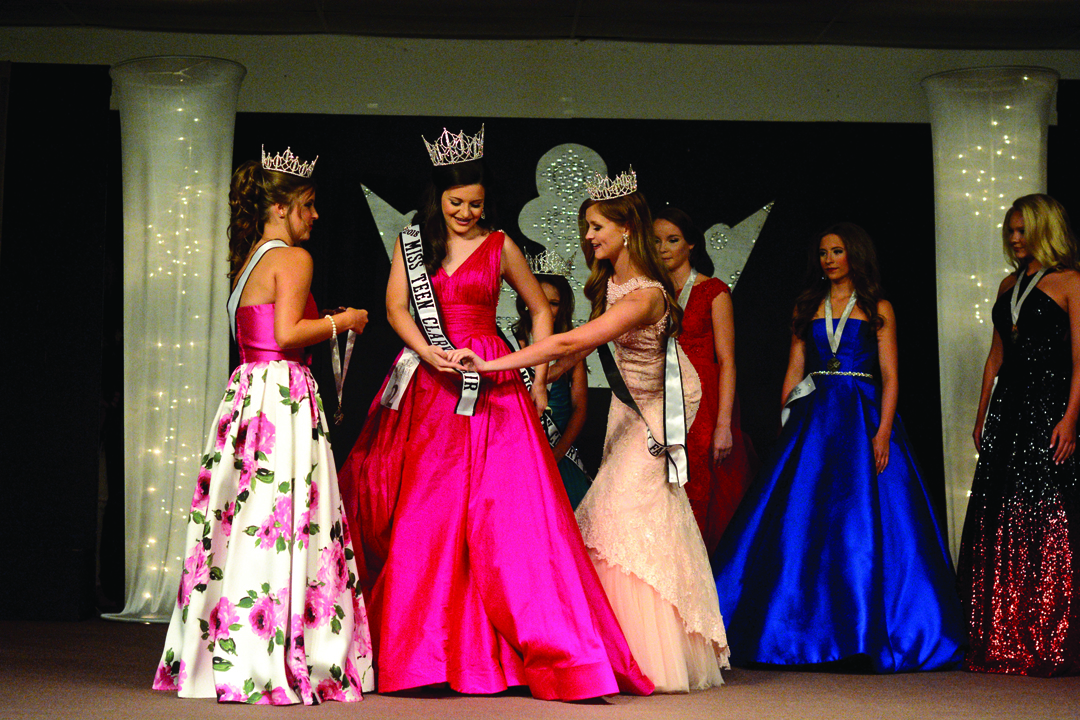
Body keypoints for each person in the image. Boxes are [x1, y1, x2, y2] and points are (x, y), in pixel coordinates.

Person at [336, 127, 653, 701]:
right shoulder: (413, 243)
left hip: (491, 379)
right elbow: (394, 308)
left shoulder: (501, 244)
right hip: (432, 383)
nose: (466, 212)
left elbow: (538, 308)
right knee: (428, 514)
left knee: (509, 518)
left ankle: (543, 652)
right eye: (456, 203)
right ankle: (420, 653)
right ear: (439, 200)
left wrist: (531, 377)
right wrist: (426, 349)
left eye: (476, 204)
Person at [452, 170, 730, 693]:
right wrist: (535, 380)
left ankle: (647, 652)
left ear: (627, 229)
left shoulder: (644, 294)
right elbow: (573, 353)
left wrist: (493, 367)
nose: (588, 237)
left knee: (613, 510)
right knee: (640, 512)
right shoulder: (614, 283)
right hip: (632, 401)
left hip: (665, 405)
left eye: (597, 226)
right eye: (586, 227)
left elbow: (565, 341)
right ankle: (629, 641)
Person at [152, 147, 374, 704]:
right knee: (288, 516)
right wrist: (341, 321)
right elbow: (289, 332)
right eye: (308, 205)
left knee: (246, 517)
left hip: (247, 395)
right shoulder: (292, 259)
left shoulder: (250, 258)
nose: (315, 216)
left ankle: (231, 648)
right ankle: (284, 650)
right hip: (281, 395)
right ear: (280, 206)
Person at [710, 223, 965, 672]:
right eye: (824, 252)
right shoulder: (808, 305)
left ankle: (866, 631)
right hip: (814, 419)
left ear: (855, 255)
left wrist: (884, 431)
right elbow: (795, 366)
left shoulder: (877, 306)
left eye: (838, 251)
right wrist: (786, 417)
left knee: (862, 521)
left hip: (861, 415)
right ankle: (794, 631)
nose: (829, 259)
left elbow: (891, 376)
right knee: (801, 521)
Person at [959, 194, 1080, 676]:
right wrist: (980, 411)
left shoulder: (1071, 283)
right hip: (1008, 411)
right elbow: (996, 355)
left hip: (1048, 409)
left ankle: (1048, 634)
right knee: (1001, 512)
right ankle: (1004, 632)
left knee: (1046, 516)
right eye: (1009, 231)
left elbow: (1079, 361)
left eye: (1021, 230)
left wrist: (1071, 418)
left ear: (1044, 230)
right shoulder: (1008, 284)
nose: (1013, 239)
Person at [654, 207, 757, 553]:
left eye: (672, 240)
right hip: (660, 399)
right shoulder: (649, 293)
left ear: (692, 245)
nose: (663, 248)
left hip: (703, 406)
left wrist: (724, 425)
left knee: (700, 489)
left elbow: (727, 362)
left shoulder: (713, 291)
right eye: (655, 241)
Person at [512, 265, 591, 509]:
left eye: (554, 303)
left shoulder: (571, 350)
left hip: (560, 455)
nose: (546, 308)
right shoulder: (508, 344)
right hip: (517, 454)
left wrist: (558, 453)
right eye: (540, 300)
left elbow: (579, 409)